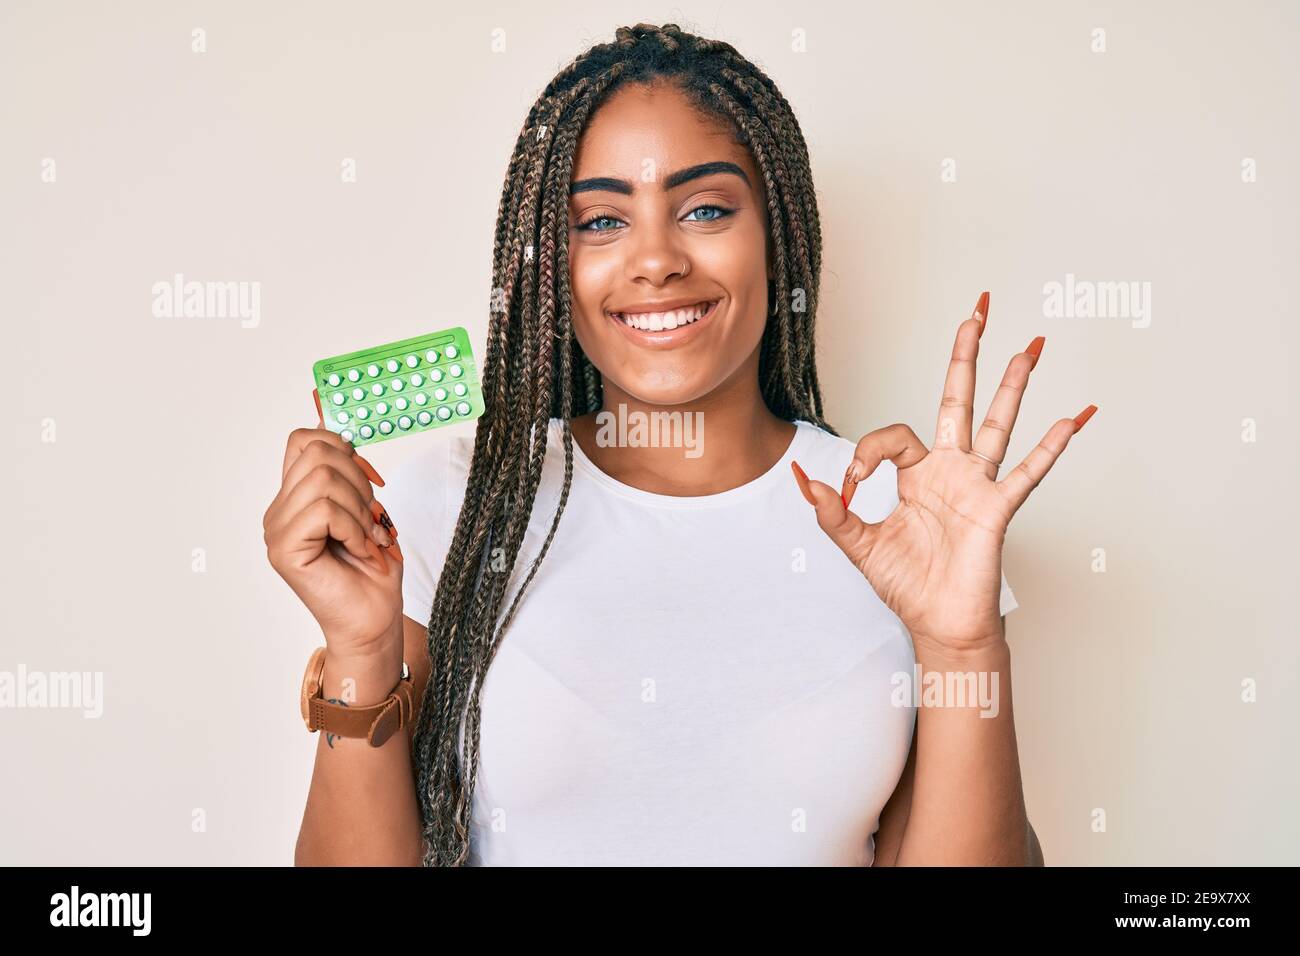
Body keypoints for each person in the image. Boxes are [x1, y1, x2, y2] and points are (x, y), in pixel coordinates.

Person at [266, 22, 1091, 866]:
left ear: (777, 236)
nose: (655, 259)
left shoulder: (896, 517)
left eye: (704, 209)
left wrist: (964, 647)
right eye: (602, 220)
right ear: (553, 260)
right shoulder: (453, 502)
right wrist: (360, 649)